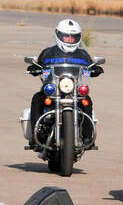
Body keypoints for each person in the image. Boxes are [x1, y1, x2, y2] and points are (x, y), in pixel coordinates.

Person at [27, 18, 103, 148]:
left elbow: (90, 66)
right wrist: (34, 67)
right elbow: (38, 64)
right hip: (52, 90)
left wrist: (95, 68)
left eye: (73, 37)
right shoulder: (48, 52)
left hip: (74, 90)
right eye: (66, 36)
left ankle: (87, 136)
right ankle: (37, 135)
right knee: (37, 98)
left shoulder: (83, 54)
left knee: (86, 101)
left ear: (78, 37)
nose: (69, 39)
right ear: (58, 35)